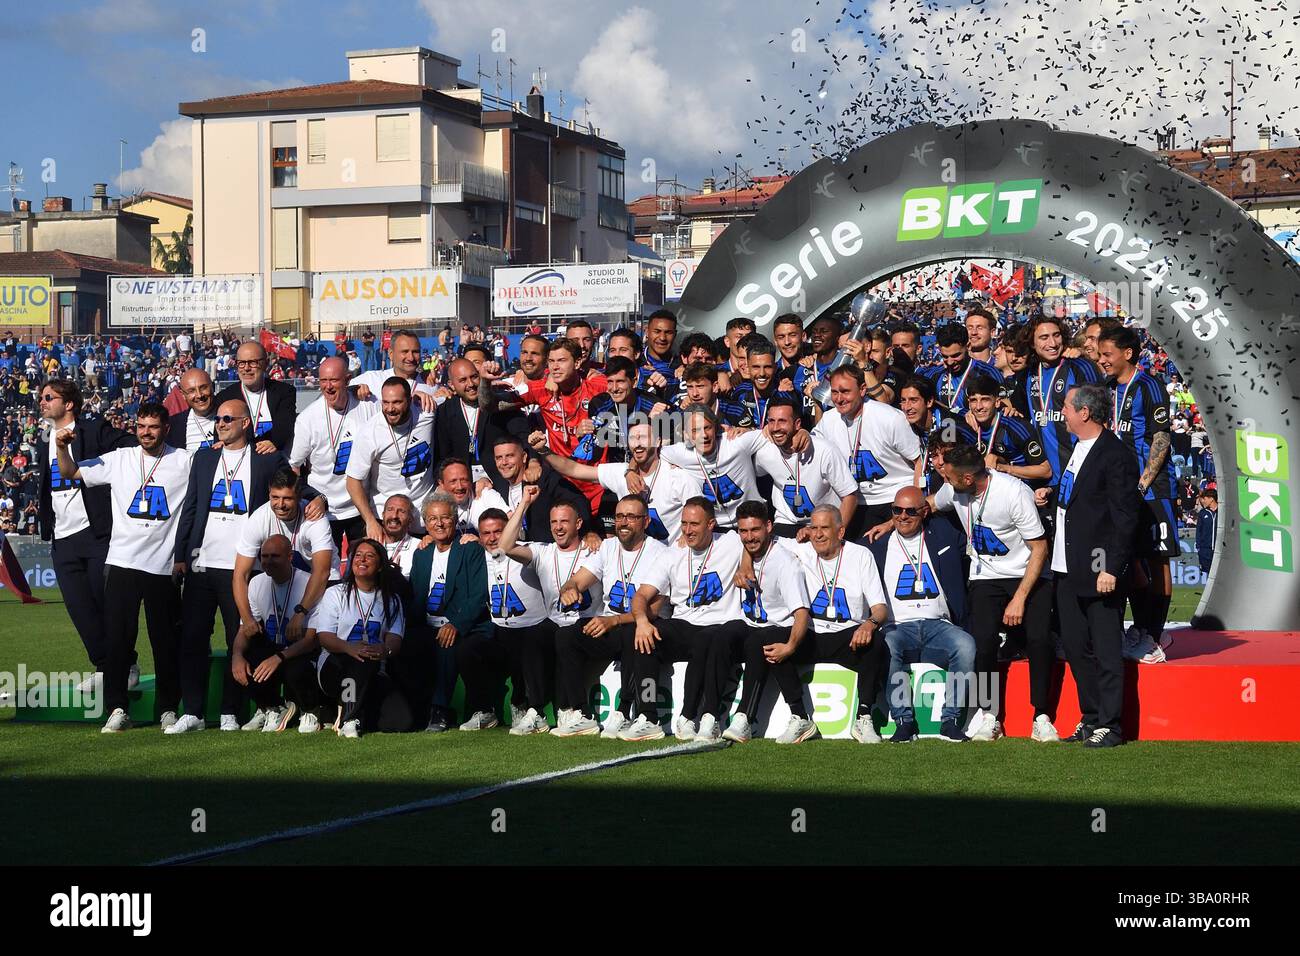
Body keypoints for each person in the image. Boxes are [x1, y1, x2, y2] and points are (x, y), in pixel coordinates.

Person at [56, 402, 191, 733]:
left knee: (165, 642)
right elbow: (70, 472)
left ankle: (168, 708)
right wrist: (61, 448)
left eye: (153, 427)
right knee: (117, 642)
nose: (146, 432)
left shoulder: (184, 461)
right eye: (141, 426)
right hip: (122, 562)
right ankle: (117, 708)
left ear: (166, 429)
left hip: (162, 566)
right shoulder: (120, 459)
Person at [171, 400, 289, 733]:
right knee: (193, 639)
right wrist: (181, 555)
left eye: (227, 418)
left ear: (245, 423)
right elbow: (191, 507)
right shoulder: (204, 458)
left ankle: (230, 711)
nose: (220, 423)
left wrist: (318, 499)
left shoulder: (266, 459)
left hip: (242, 568)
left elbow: (291, 487)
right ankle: (193, 712)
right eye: (218, 419)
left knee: (240, 639)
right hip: (203, 563)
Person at [1036, 384, 1141, 748]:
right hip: (1067, 567)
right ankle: (1091, 716)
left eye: (1066, 406)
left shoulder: (1115, 454)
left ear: (1084, 412)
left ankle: (1111, 725)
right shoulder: (1078, 447)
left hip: (1099, 570)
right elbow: (1082, 500)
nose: (1061, 413)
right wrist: (1052, 496)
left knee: (1106, 648)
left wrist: (1111, 567)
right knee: (1077, 647)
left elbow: (1125, 517)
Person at [931, 444, 1056, 741]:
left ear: (968, 479)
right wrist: (890, 522)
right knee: (983, 641)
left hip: (1027, 572)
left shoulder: (1014, 493)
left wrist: (1019, 599)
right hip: (986, 576)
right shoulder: (954, 488)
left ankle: (1041, 715)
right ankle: (989, 715)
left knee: (1039, 639)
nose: (946, 482)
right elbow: (930, 504)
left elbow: (1039, 548)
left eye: (950, 478)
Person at [742, 504, 891, 743]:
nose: (818, 534)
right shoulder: (800, 549)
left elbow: (880, 608)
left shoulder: (861, 555)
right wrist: (745, 562)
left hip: (847, 635)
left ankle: (864, 716)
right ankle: (800, 717)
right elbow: (756, 540)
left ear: (840, 532)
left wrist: (869, 624)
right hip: (810, 634)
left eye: (824, 528)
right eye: (813, 528)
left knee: (876, 642)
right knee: (772, 639)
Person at [37, 379, 138, 688]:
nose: (42, 401)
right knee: (80, 609)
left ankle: (126, 665)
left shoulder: (93, 430)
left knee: (106, 604)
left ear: (68, 403)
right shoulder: (45, 440)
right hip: (62, 538)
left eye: (49, 397)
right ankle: (104, 666)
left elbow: (131, 445)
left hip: (95, 533)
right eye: (42, 397)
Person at [623, 497, 748, 742]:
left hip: (721, 624)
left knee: (706, 639)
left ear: (711, 524)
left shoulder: (731, 541)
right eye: (684, 524)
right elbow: (641, 596)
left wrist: (745, 566)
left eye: (694, 524)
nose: (687, 530)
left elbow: (759, 539)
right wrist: (642, 622)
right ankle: (648, 715)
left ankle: (689, 717)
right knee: (644, 639)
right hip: (683, 623)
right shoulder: (672, 553)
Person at [865, 487, 976, 743]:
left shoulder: (944, 533)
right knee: (886, 646)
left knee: (966, 645)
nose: (903, 516)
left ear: (925, 512)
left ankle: (950, 721)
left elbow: (956, 495)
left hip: (938, 625)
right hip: (897, 626)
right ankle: (903, 722)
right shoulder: (877, 544)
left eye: (910, 511)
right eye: (897, 510)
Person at [555, 493, 671, 737]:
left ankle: (625, 711)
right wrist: (570, 590)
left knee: (634, 632)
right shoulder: (607, 547)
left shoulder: (661, 552)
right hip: (611, 625)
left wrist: (614, 620)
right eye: (619, 517)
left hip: (644, 625)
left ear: (646, 521)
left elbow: (653, 610)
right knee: (566, 636)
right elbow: (576, 581)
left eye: (631, 517)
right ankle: (581, 712)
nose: (623, 522)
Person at [1097, 325, 1175, 664]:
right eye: (1100, 355)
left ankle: (1154, 636)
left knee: (1158, 559)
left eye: (1107, 354)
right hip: (1119, 489)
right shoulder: (1107, 389)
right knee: (1132, 561)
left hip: (1151, 489)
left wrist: (1142, 484)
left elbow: (1161, 438)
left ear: (1127, 354)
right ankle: (1141, 630)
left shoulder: (1148, 385)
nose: (1102, 360)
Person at [497, 489, 605, 735]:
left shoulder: (595, 550)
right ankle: (537, 711)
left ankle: (570, 708)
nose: (558, 527)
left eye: (564, 521)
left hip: (587, 622)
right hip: (556, 621)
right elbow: (505, 546)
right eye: (553, 522)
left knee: (565, 637)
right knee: (533, 635)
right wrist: (524, 503)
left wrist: (594, 535)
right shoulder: (542, 551)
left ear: (578, 523)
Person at [722, 501, 815, 744]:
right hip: (753, 624)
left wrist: (790, 647)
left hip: (782, 628)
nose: (749, 537)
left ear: (769, 527)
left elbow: (801, 613)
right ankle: (706, 715)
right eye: (743, 531)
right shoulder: (742, 547)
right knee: (719, 635)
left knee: (762, 641)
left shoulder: (785, 562)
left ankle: (748, 716)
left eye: (755, 530)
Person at [406, 493, 490, 732]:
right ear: (425, 523)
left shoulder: (470, 549)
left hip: (461, 625)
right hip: (427, 624)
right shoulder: (421, 553)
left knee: (447, 643)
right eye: (433, 519)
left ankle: (440, 710)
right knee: (406, 645)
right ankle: (411, 710)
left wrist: (456, 624)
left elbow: (479, 595)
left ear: (454, 520)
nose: (439, 524)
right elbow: (415, 596)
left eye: (445, 517)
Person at [457, 507, 543, 731]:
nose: (492, 538)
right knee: (468, 649)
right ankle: (484, 710)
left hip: (532, 627)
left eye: (498, 531)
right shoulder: (480, 557)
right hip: (499, 630)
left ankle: (521, 702)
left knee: (525, 642)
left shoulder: (526, 552)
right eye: (486, 533)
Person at [228, 534, 323, 734]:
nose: (268, 561)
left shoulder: (308, 584)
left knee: (296, 669)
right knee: (244, 661)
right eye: (264, 556)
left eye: (275, 556)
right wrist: (236, 656)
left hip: (301, 652)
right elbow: (245, 629)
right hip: (274, 647)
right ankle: (272, 707)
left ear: (290, 557)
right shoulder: (256, 583)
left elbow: (312, 639)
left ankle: (310, 710)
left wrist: (279, 657)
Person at [811, 364, 922, 535]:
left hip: (895, 500)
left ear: (862, 389)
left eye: (845, 391)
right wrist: (801, 434)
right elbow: (811, 448)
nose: (839, 399)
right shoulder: (828, 420)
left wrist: (914, 504)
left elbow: (919, 461)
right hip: (856, 502)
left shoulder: (889, 418)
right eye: (834, 392)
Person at [313, 538, 405, 738]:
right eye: (358, 555)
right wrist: (350, 648)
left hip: (374, 669)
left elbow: (395, 639)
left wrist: (385, 649)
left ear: (380, 565)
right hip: (335, 665)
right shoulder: (335, 593)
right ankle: (349, 718)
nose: (362, 559)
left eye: (369, 556)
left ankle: (354, 709)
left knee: (400, 721)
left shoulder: (391, 599)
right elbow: (325, 637)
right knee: (360, 659)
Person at [548, 419, 693, 544]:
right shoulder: (621, 472)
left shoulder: (677, 476)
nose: (637, 444)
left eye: (643, 437)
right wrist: (543, 450)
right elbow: (573, 469)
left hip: (671, 556)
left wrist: (687, 536)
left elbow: (699, 512)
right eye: (633, 438)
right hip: (636, 558)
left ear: (658, 441)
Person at [289, 356, 378, 550]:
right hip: (323, 509)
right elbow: (295, 466)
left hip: (360, 507)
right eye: (323, 380)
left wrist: (421, 394)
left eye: (334, 380)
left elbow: (395, 395)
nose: (328, 386)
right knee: (327, 566)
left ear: (347, 380)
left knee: (364, 563)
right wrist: (307, 498)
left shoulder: (368, 405)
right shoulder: (308, 418)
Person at [1010, 316, 1102, 490]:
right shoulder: (1028, 373)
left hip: (1082, 476)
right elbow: (1014, 409)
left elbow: (1100, 419)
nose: (1052, 343)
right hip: (1045, 480)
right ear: (1032, 343)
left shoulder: (1080, 367)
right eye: (1044, 338)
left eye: (1056, 335)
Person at [345, 377, 437, 540]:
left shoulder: (427, 412)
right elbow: (353, 481)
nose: (390, 409)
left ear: (409, 400)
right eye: (385, 402)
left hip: (424, 516)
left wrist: (441, 392)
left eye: (397, 402)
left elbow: (453, 396)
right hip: (387, 518)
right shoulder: (370, 432)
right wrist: (370, 521)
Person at [753, 398, 857, 537]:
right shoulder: (765, 452)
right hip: (786, 522)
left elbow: (850, 496)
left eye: (782, 421)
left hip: (823, 524)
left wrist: (835, 535)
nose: (776, 427)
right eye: (771, 421)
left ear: (797, 424)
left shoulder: (824, 451)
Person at [489, 434, 593, 544]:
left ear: (524, 457)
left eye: (510, 456)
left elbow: (578, 500)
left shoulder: (543, 478)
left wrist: (588, 532)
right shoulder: (498, 485)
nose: (504, 462)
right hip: (515, 550)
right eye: (499, 458)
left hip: (547, 548)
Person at [959, 373, 1051, 484]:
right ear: (969, 404)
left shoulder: (1015, 427)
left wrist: (1002, 468)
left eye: (985, 399)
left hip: (1021, 486)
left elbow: (1046, 470)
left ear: (997, 402)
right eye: (974, 400)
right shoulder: (965, 423)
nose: (979, 407)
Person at [213, 342, 297, 453]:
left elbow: (285, 427)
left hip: (273, 457)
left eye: (253, 362)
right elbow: (219, 434)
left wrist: (272, 442)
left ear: (265, 363)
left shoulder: (284, 392)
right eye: (241, 363)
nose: (246, 368)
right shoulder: (225, 397)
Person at [920, 323, 1001, 414]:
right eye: (945, 356)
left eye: (955, 356)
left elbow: (1003, 409)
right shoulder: (933, 374)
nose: (950, 362)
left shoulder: (988, 373)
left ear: (968, 346)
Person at [351, 330, 441, 411]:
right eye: (405, 351)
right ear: (391, 354)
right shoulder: (371, 379)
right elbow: (344, 389)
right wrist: (354, 389)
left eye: (415, 352)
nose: (411, 358)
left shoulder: (431, 384)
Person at [435, 457, 509, 538]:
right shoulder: (435, 504)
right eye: (453, 481)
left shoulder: (485, 494)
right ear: (441, 484)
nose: (459, 487)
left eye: (464, 480)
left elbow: (511, 523)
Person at [167, 368, 219, 452]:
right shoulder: (173, 426)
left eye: (203, 388)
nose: (199, 395)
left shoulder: (231, 417)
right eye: (191, 391)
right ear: (183, 395)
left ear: (212, 387)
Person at [375, 493, 420, 578]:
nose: (394, 516)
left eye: (401, 511)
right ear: (383, 515)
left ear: (410, 519)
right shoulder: (369, 545)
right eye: (390, 509)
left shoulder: (419, 547)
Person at [1196, 487, 1218, 575]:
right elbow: (1199, 531)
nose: (1203, 501)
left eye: (1205, 499)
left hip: (1218, 549)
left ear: (1211, 499)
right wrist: (1199, 546)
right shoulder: (1202, 513)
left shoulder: (1221, 512)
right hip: (1205, 550)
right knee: (1209, 574)